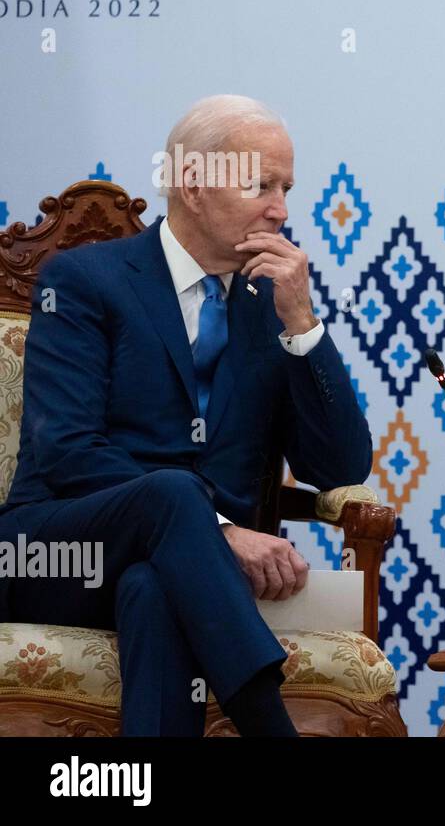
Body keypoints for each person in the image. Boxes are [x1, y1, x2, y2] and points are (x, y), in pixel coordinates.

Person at [0, 94, 372, 736]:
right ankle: (269, 725)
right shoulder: (84, 281)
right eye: (262, 184)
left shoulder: (268, 302)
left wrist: (303, 324)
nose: (281, 209)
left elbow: (338, 466)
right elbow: (65, 450)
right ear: (194, 183)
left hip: (184, 577)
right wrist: (220, 528)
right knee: (171, 496)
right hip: (55, 553)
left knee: (154, 586)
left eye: (286, 187)